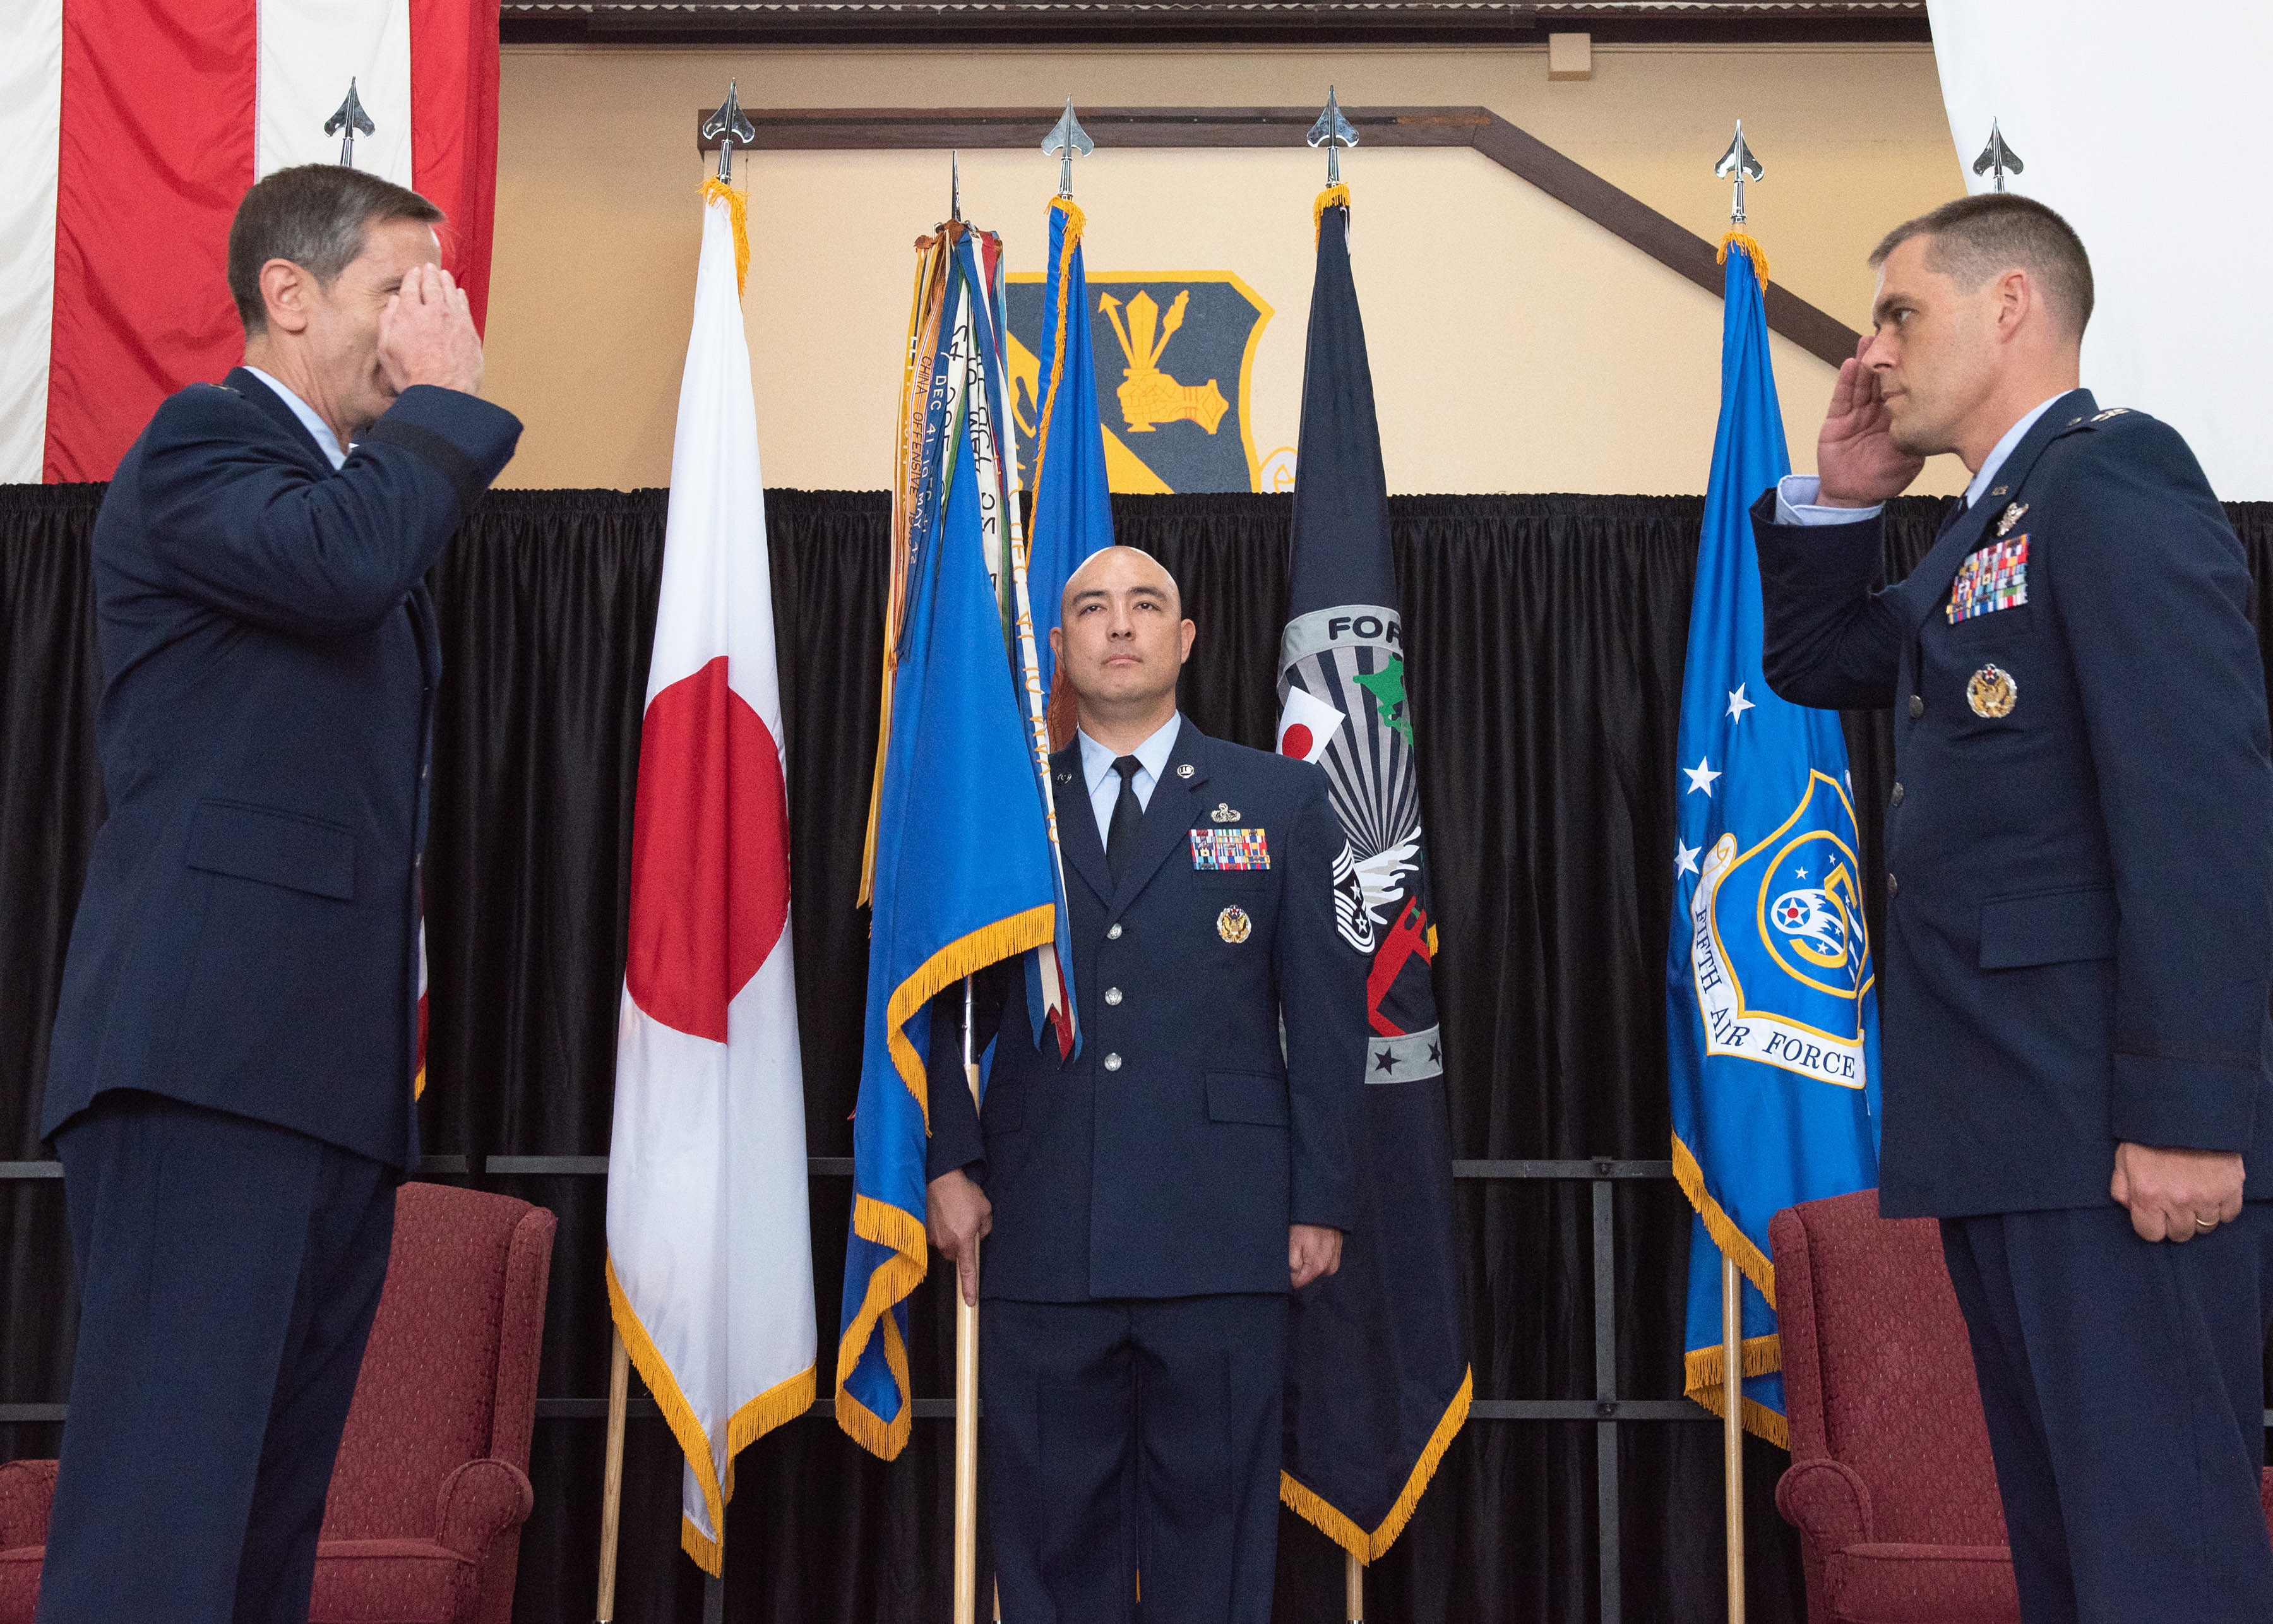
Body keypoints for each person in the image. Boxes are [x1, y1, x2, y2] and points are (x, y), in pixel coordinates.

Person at [1752, 193, 2273, 1622]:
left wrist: (2189, 1110)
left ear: (2010, 310)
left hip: (2114, 1128)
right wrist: (1844, 496)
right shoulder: (1993, 523)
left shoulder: (2117, 485)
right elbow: (1828, 658)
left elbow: (2202, 813)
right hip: (2016, 1123)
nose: (1874, 351)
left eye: (1900, 312)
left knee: (2159, 1553)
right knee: (2071, 1558)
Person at [35, 165, 520, 1624]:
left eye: (443, 299)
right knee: (164, 1521)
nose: (428, 329)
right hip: (205, 1063)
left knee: (262, 1529)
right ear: (286, 293)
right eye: (399, 293)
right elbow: (344, 563)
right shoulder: (201, 444)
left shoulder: (344, 490)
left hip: (322, 1078)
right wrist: (446, 409)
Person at [924, 545, 1369, 1623]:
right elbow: (939, 991)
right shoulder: (1004, 804)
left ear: (1185, 639)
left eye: (1144, 606)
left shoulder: (1280, 797)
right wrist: (948, 1157)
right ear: (1060, 646)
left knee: (1212, 1551)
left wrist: (1320, 1198)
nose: (1118, 626)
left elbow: (1322, 1012)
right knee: (1046, 1550)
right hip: (1037, 1216)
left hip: (1222, 1225)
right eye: (1090, 608)